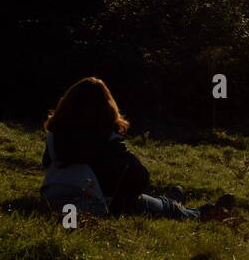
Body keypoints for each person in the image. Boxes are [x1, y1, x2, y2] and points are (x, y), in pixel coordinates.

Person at [42, 77, 232, 219]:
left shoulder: (55, 136)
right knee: (171, 211)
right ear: (107, 108)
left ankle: (174, 198)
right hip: (106, 204)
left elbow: (47, 164)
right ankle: (206, 211)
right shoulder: (108, 141)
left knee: (156, 202)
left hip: (56, 200)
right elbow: (140, 177)